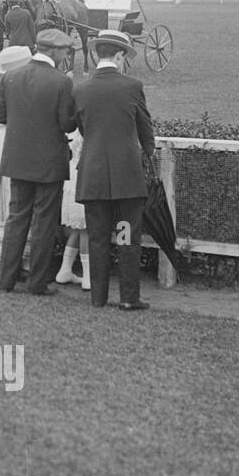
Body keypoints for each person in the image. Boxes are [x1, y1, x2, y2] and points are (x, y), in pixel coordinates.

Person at [74, 29, 156, 311]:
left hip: (93, 174)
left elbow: (83, 128)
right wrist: (149, 151)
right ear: (120, 55)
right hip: (126, 177)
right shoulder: (132, 86)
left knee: (97, 238)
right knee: (126, 237)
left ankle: (98, 298)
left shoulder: (81, 87)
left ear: (97, 55)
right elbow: (146, 131)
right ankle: (128, 297)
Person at [0, 28, 77, 295]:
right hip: (49, 162)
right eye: (65, 50)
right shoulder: (61, 81)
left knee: (16, 218)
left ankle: (5, 280)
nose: (66, 55)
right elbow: (67, 123)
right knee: (43, 222)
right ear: (53, 51)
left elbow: (2, 116)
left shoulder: (11, 76)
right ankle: (37, 282)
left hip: (18, 158)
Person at [0, 45, 33, 264]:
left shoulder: (3, 86)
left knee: (3, 198)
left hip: (3, 142)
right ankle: (20, 256)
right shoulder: (25, 86)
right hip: (18, 142)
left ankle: (2, 253)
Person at [54, 129, 91, 290]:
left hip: (71, 174)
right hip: (84, 174)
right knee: (85, 229)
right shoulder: (85, 127)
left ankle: (65, 270)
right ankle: (88, 276)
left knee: (77, 229)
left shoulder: (70, 129)